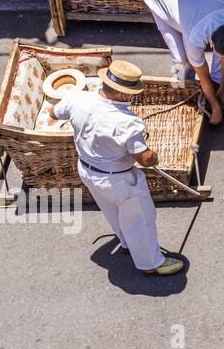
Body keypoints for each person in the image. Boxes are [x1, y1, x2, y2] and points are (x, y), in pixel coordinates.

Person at [56, 60, 185, 276]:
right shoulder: (127, 123)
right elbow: (144, 159)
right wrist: (153, 156)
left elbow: (54, 112)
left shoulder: (78, 98)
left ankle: (126, 242)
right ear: (124, 95)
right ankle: (150, 263)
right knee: (141, 219)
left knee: (111, 210)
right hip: (118, 179)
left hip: (87, 169)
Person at [143, 0, 224, 126]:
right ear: (212, 45)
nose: (223, 58)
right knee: (181, 59)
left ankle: (219, 86)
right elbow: (203, 76)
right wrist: (215, 107)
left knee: (223, 59)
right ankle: (186, 90)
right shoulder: (195, 38)